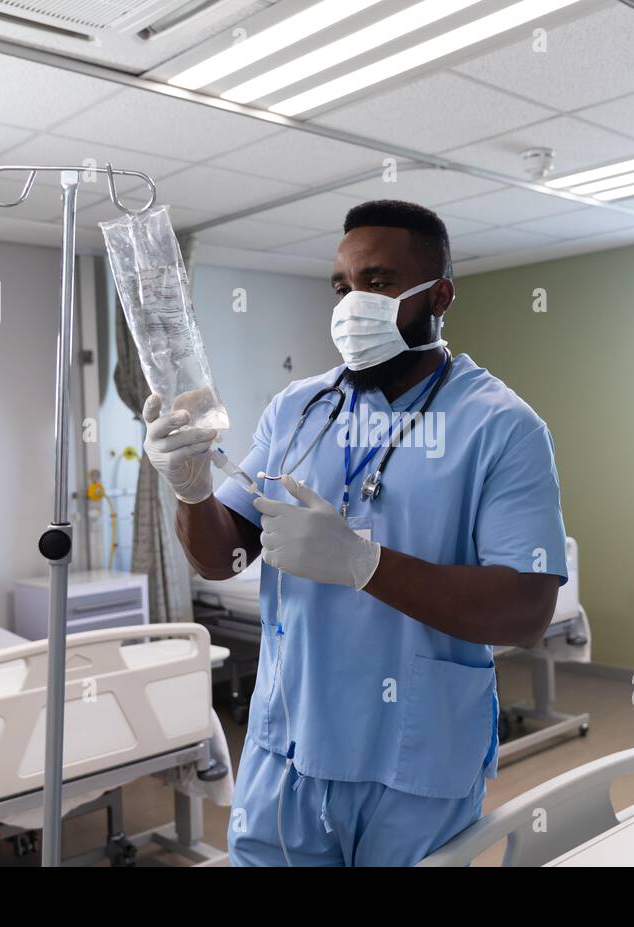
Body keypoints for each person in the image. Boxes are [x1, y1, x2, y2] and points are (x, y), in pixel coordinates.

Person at [143, 199, 567, 866]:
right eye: (341, 286)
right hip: (288, 748)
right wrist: (191, 489)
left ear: (441, 295)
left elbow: (526, 612)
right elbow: (221, 558)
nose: (351, 303)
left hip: (416, 758)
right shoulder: (297, 409)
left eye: (378, 281)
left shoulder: (502, 426)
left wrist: (363, 564)